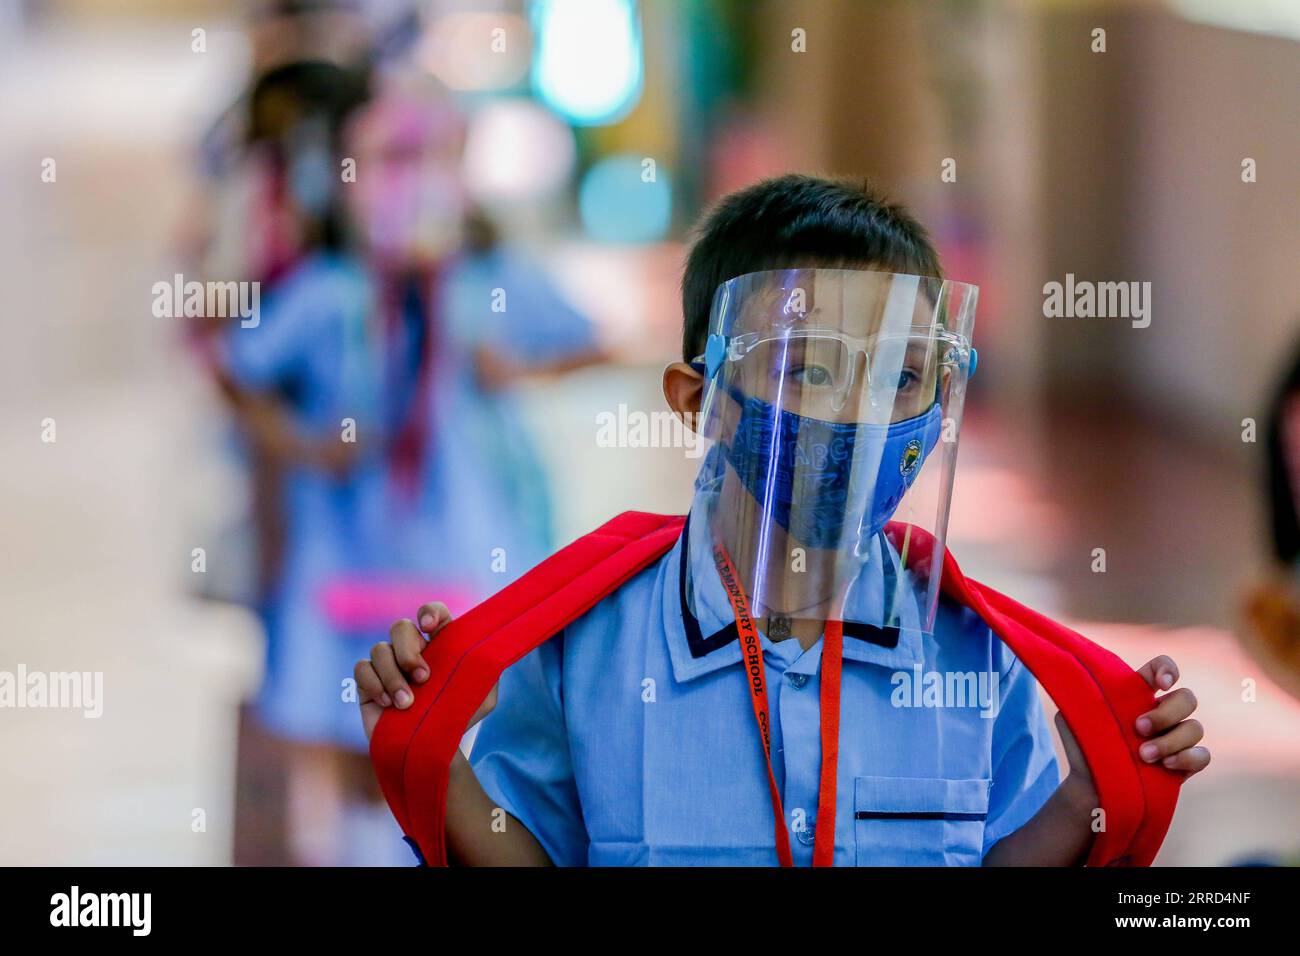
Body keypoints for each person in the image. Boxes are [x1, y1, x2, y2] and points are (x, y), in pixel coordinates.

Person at [355, 175, 1210, 866]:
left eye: (902, 376)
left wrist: (1085, 801)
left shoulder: (974, 648)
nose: (858, 414)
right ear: (702, 403)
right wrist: (428, 752)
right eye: (807, 369)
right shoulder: (587, 644)